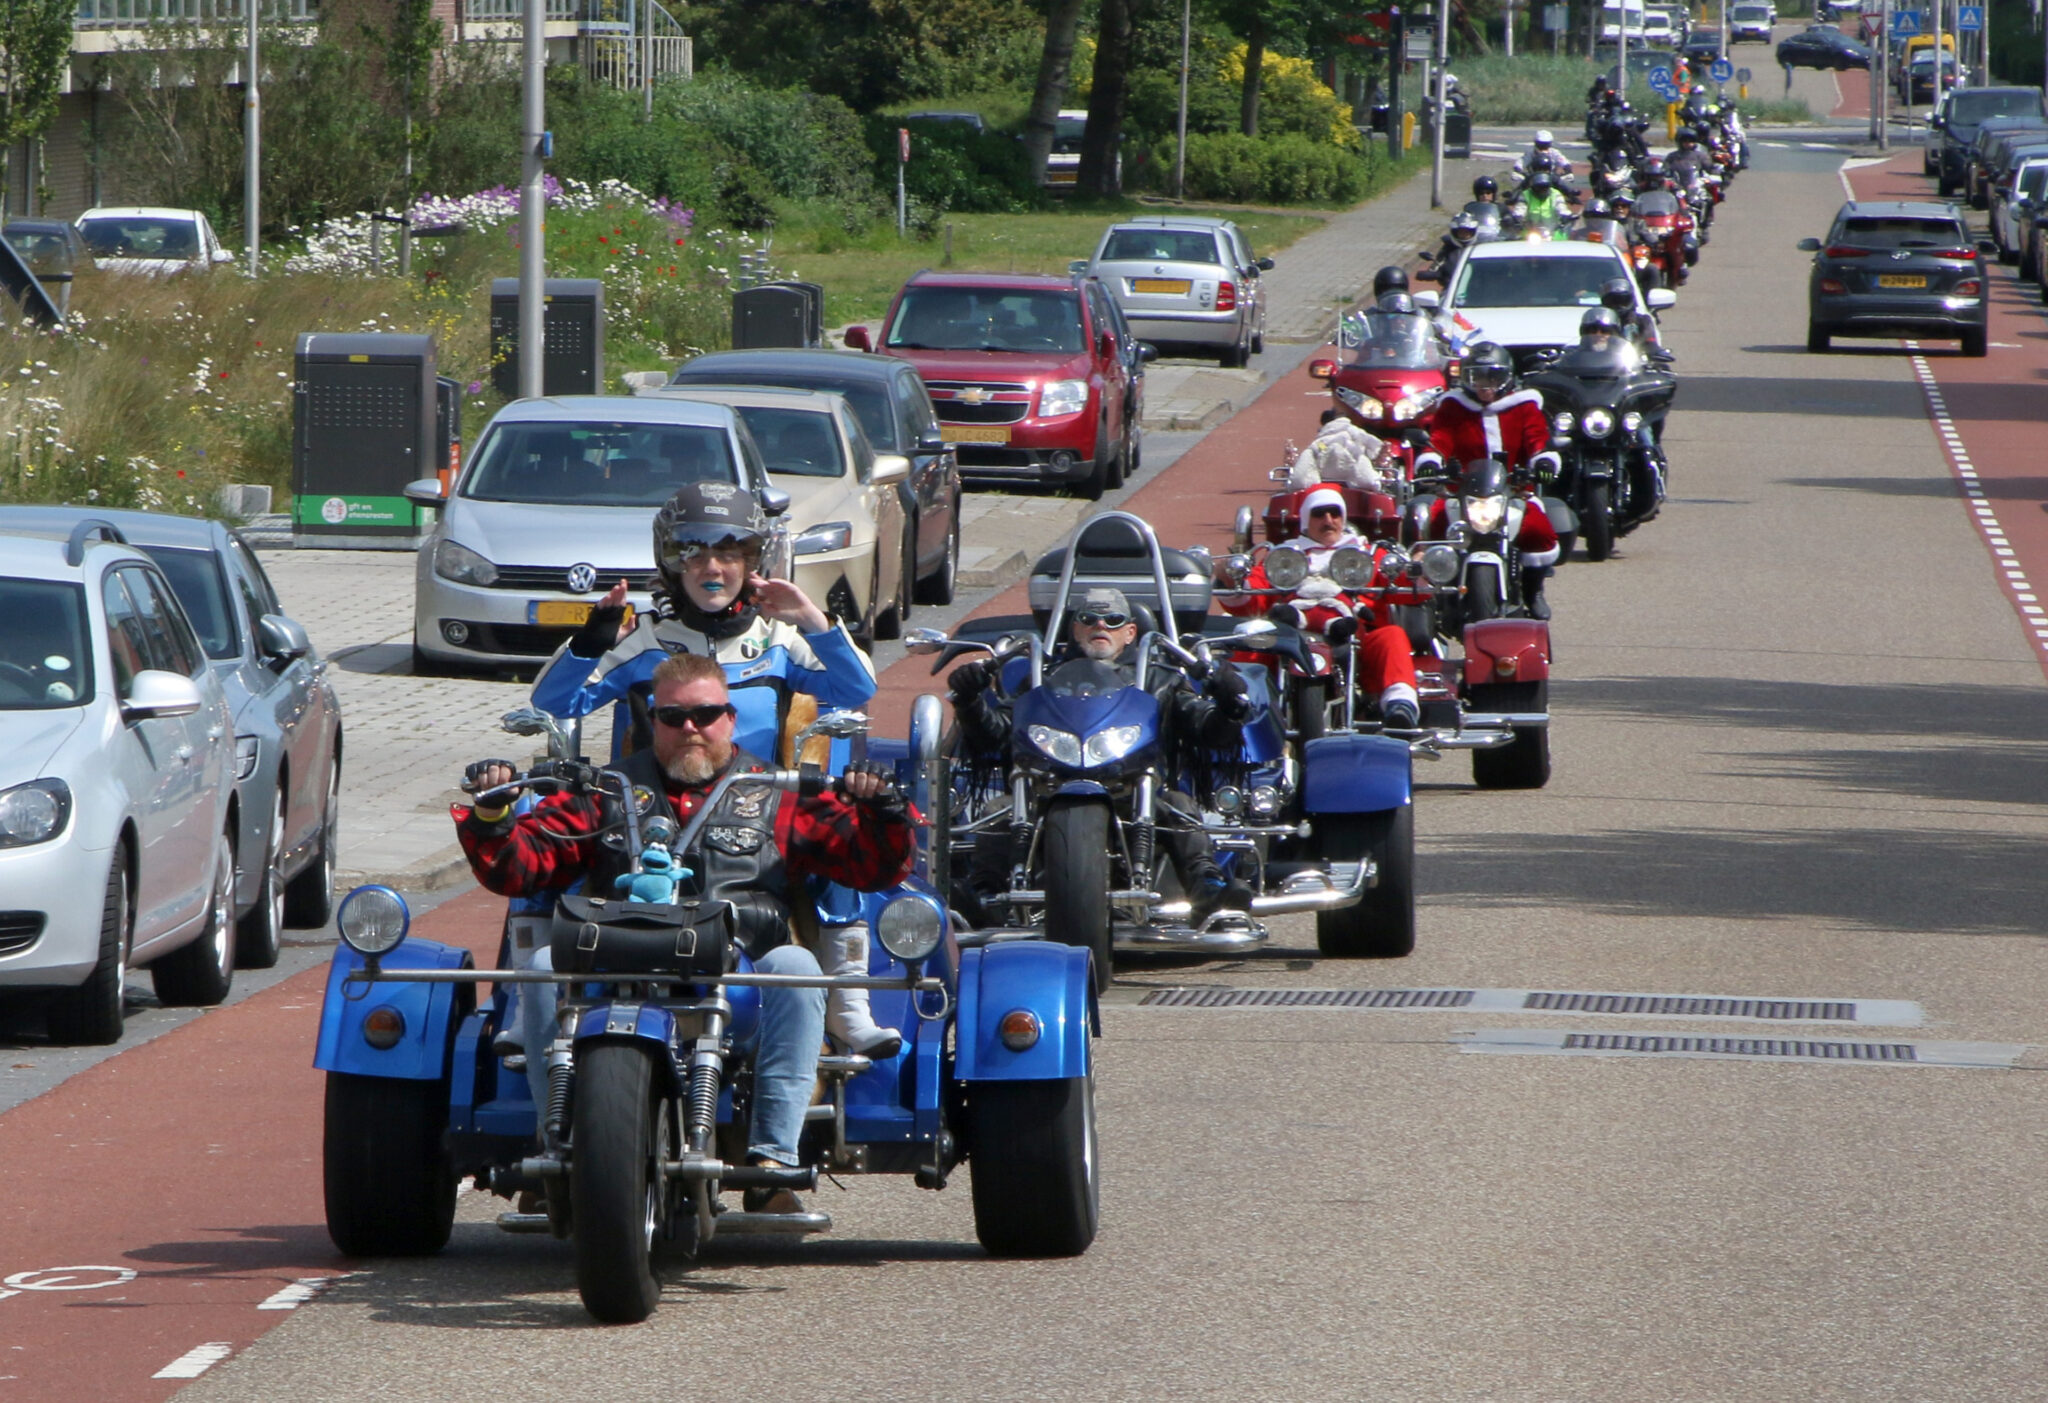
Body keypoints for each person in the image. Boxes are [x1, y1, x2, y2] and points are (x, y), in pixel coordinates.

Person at [455, 654, 916, 1214]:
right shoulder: (607, 788)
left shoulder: (780, 790)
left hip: (739, 967)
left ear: (730, 718)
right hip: (615, 962)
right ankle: (555, 1143)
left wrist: (884, 812)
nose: (690, 727)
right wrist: (493, 815)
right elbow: (521, 867)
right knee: (542, 964)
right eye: (673, 716)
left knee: (797, 968)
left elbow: (871, 868)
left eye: (706, 714)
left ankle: (772, 1159)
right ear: (653, 720)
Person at [525, 481, 896, 1058]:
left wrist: (811, 617)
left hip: (759, 807)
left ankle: (848, 1005)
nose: (712, 569)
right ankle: (525, 1003)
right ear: (670, 562)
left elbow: (856, 689)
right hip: (651, 807)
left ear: (753, 562)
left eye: (729, 553)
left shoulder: (778, 638)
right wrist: (593, 639)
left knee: (839, 839)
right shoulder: (645, 639)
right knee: (541, 833)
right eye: (693, 553)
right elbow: (554, 701)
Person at [949, 587, 1254, 926]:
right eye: (1089, 618)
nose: (1101, 626)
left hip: (1136, 795)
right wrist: (969, 700)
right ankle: (984, 894)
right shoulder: (1043, 681)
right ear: (1075, 628)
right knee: (998, 809)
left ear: (1130, 631)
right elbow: (998, 732)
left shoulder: (1161, 679)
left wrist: (1229, 705)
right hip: (1049, 793)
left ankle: (1207, 887)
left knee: (1179, 804)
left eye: (1113, 620)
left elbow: (1206, 729)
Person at [1218, 486, 1422, 730]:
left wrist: (1419, 570)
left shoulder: (1366, 552)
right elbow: (1254, 595)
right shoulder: (1285, 555)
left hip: (1355, 633)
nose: (1328, 520)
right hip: (1290, 631)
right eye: (1319, 514)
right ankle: (1240, 704)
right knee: (1253, 638)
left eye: (1334, 513)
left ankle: (1400, 705)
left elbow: (1407, 587)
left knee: (1392, 636)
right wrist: (1230, 578)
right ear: (1306, 520)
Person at [1413, 344, 1562, 618]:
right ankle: (1434, 593)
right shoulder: (1453, 406)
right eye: (1476, 377)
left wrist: (1543, 461)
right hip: (1461, 494)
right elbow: (1440, 439)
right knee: (1433, 526)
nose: (1485, 386)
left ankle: (1533, 590)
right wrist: (1430, 461)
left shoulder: (1524, 406)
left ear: (1506, 378)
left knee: (1538, 530)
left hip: (1513, 492)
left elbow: (1537, 439)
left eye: (1493, 377)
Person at [1290, 408, 1388, 492]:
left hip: (1326, 468)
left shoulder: (1323, 437)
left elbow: (1319, 446)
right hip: (1350, 458)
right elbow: (1372, 443)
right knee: (1367, 475)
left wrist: (1326, 450)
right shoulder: (1353, 431)